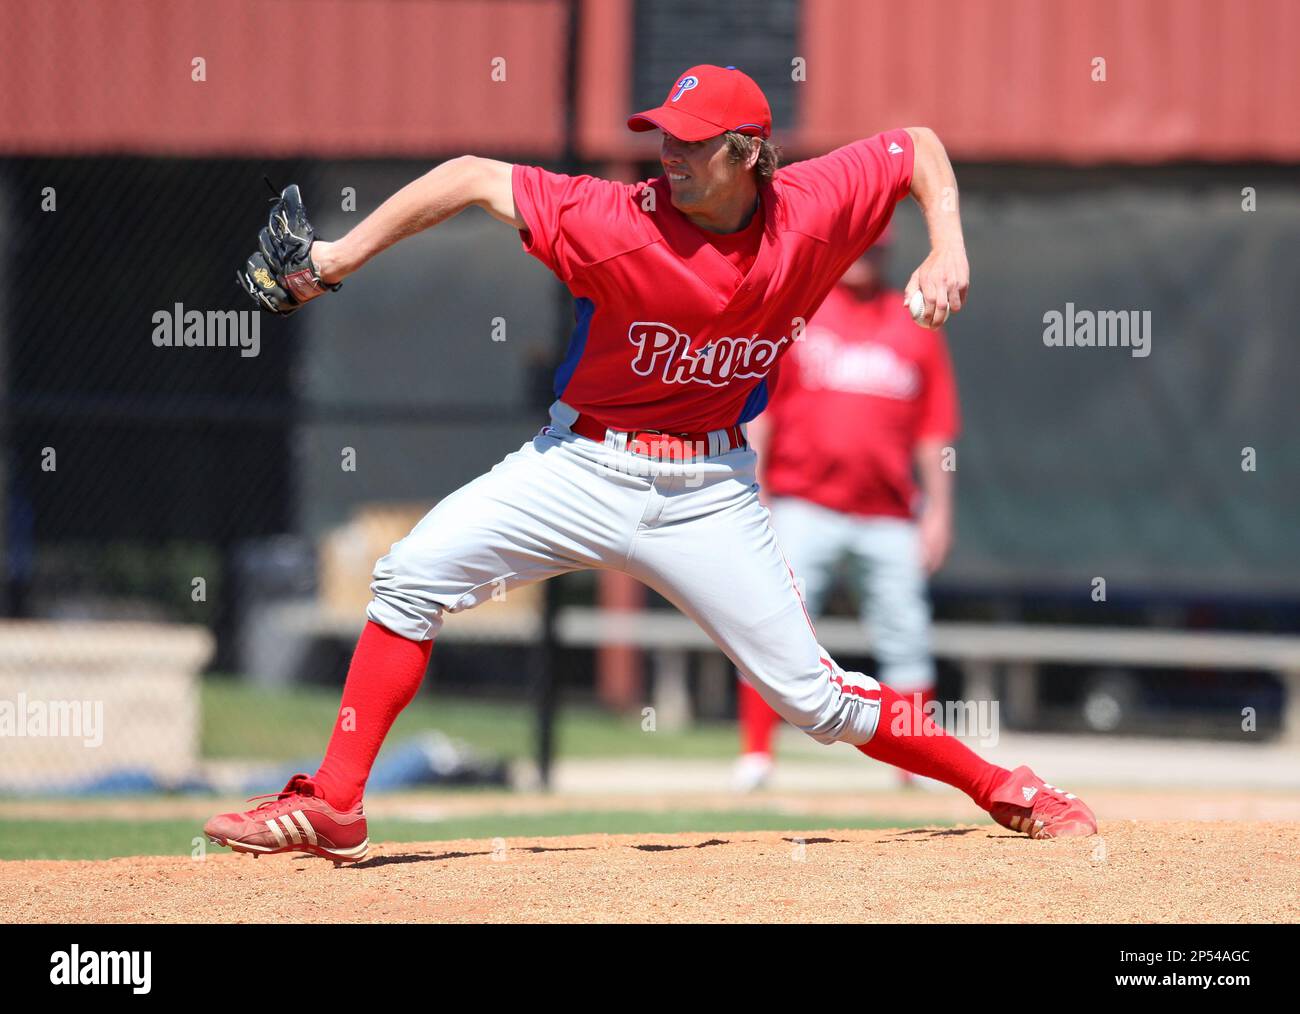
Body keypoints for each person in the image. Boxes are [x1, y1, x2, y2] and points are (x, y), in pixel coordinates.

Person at [211, 65, 1095, 863]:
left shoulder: (813, 206)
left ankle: (1003, 786)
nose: (669, 153)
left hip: (710, 491)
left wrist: (949, 244)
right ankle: (335, 802)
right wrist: (330, 260)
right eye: (663, 134)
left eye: (693, 142)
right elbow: (474, 177)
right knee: (410, 575)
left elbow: (918, 149)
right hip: (580, 465)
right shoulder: (614, 221)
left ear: (749, 153)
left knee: (817, 702)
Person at [733, 233, 958, 791]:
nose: (868, 257)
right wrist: (753, 485)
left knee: (905, 633)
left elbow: (935, 432)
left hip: (888, 513)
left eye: (879, 249)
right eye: (860, 247)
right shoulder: (804, 314)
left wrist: (939, 512)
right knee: (772, 624)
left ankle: (915, 763)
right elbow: (763, 408)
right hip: (803, 503)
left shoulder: (914, 325)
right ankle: (757, 755)